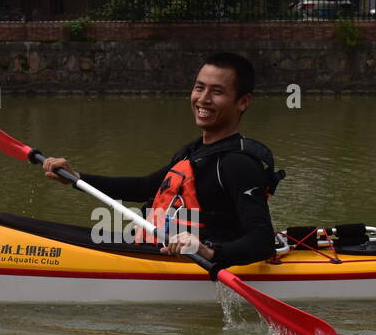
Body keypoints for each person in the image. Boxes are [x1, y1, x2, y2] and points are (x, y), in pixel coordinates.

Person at [42, 52, 282, 271]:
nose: (203, 99)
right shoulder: (193, 151)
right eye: (199, 88)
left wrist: (208, 251)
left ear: (243, 102)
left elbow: (262, 241)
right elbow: (144, 187)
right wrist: (77, 178)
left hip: (204, 260)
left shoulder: (238, 164)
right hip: (158, 250)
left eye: (216, 92)